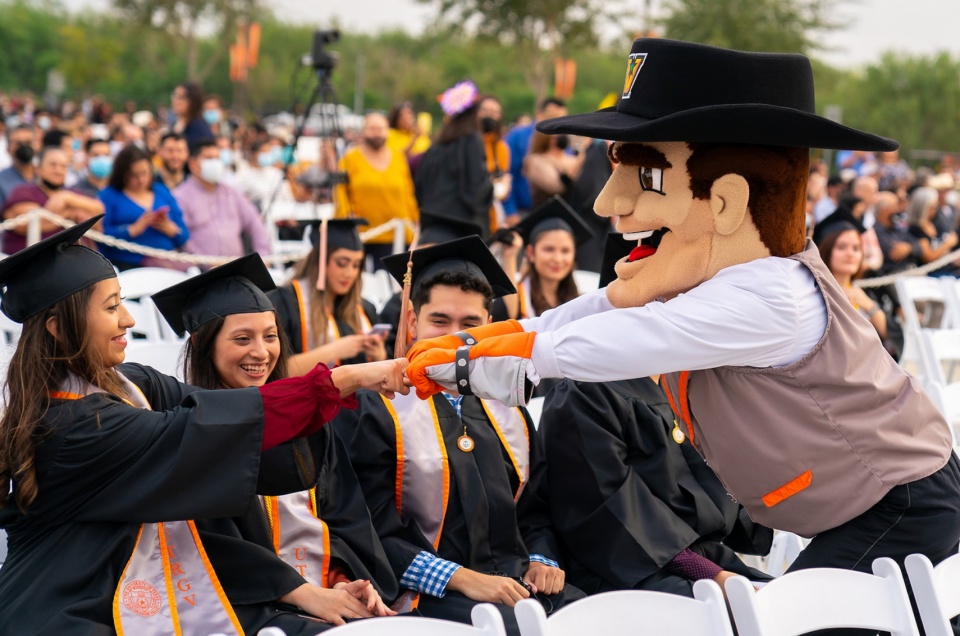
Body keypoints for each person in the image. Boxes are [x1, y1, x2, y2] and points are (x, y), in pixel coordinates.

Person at [407, 39, 960, 625]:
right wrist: (462, 351)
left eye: (645, 175)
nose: (605, 204)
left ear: (725, 200)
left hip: (898, 502)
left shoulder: (771, 292)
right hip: (869, 503)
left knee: (786, 621)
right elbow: (591, 312)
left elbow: (630, 336)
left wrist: (465, 365)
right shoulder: (713, 272)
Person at [0, 216, 409, 634]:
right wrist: (343, 379)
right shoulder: (72, 427)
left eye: (123, 302)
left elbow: (214, 408)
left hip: (122, 591)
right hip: (65, 609)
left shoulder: (128, 384)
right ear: (58, 328)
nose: (129, 319)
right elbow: (203, 428)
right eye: (110, 307)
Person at [337, 236, 584, 635]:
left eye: (469, 325)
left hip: (514, 581)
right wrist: (464, 579)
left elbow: (535, 506)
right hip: (424, 594)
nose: (454, 339)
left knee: (589, 615)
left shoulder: (508, 405)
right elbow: (367, 529)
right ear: (413, 322)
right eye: (439, 321)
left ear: (490, 328)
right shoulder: (374, 409)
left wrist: (542, 558)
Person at [152, 254, 400, 622]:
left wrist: (342, 581)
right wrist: (301, 595)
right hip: (249, 610)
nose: (261, 352)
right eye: (242, 338)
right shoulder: (189, 430)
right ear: (206, 346)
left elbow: (345, 519)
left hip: (323, 598)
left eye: (270, 337)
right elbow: (211, 550)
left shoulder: (309, 422)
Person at [541, 232, 771, 597]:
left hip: (703, 561)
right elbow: (612, 515)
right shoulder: (586, 392)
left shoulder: (682, 380)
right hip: (625, 576)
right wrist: (711, 576)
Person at [270, 219, 386, 374]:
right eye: (342, 263)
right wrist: (335, 350)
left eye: (356, 265)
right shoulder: (286, 303)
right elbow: (277, 370)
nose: (349, 273)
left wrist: (380, 356)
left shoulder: (364, 309)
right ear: (320, 261)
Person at [334, 112, 418, 269]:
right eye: (372, 128)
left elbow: (408, 191)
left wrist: (415, 219)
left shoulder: (398, 157)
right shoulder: (350, 158)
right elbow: (341, 191)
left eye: (381, 128)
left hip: (396, 234)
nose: (377, 133)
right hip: (361, 234)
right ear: (363, 131)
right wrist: (346, 216)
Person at [414, 81, 493, 239]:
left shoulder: (436, 145)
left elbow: (419, 184)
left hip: (433, 224)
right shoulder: (471, 140)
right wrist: (493, 188)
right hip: (460, 226)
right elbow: (477, 185)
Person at [174, 137, 271, 260]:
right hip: (201, 272)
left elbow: (255, 222)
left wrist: (263, 256)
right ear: (193, 163)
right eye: (209, 158)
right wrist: (205, 263)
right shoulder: (180, 197)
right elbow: (181, 239)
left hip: (237, 270)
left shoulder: (231, 192)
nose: (215, 163)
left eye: (217, 158)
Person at [99, 144, 190, 270]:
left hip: (167, 260)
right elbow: (99, 236)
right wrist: (132, 229)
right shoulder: (108, 195)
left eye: (144, 173)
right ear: (122, 174)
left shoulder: (161, 191)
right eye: (134, 175)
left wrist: (171, 229)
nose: (141, 180)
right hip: (128, 264)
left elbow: (184, 235)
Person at [1, 145, 105, 255]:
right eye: (53, 165)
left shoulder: (73, 194)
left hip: (77, 262)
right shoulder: (23, 191)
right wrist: (70, 212)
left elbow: (99, 212)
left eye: (63, 166)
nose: (58, 170)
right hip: (35, 264)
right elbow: (35, 222)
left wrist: (66, 198)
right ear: (38, 168)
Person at [505, 196, 593, 320]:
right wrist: (509, 257)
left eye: (565, 251)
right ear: (531, 253)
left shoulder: (581, 301)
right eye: (549, 249)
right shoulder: (519, 298)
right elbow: (509, 313)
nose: (557, 259)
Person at [817, 221, 888, 343]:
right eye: (841, 247)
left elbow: (891, 335)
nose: (850, 254)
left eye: (856, 248)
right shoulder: (816, 292)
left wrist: (867, 304)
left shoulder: (863, 289)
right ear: (827, 251)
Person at [503, 98, 568, 219]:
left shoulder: (562, 140)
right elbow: (508, 174)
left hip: (556, 211)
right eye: (552, 115)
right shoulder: (517, 136)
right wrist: (510, 212)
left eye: (562, 117)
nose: (557, 121)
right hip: (523, 209)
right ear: (539, 113)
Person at [523, 131, 587, 208]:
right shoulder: (536, 160)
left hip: (572, 210)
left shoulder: (571, 159)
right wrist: (579, 160)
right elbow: (556, 187)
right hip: (547, 212)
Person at [906, 186, 960, 275]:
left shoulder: (934, 222)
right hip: (932, 273)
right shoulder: (915, 229)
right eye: (932, 208)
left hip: (948, 266)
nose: (935, 211)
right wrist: (947, 244)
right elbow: (929, 257)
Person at [0, 124, 37, 210]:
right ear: (8, 149)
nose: (24, 147)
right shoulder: (1, 181)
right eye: (18, 144)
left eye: (28, 142)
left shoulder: (47, 175)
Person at [171, 81, 213, 147]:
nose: (175, 101)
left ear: (193, 101)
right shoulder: (176, 123)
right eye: (174, 96)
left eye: (180, 97)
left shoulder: (199, 128)